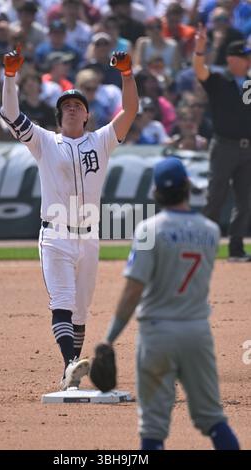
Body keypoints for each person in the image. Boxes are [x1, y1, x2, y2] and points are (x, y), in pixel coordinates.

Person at [0, 45, 138, 390]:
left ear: (87, 115)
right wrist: (10, 76)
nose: (72, 108)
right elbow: (9, 112)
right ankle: (70, 364)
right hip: (56, 235)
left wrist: (127, 74)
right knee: (61, 302)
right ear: (59, 116)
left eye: (78, 105)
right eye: (66, 106)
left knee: (80, 311)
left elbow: (132, 109)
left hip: (89, 237)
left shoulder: (102, 140)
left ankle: (70, 375)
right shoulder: (44, 141)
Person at [99, 157, 240, 450]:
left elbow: (132, 291)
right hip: (196, 332)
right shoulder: (211, 231)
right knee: (214, 419)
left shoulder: (150, 230)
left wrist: (110, 338)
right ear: (187, 187)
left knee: (153, 427)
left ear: (156, 194)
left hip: (157, 333)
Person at [193, 26, 251, 261]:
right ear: (231, 58)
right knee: (215, 196)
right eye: (244, 56)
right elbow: (199, 70)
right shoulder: (218, 79)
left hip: (248, 148)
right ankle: (203, 245)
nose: (248, 60)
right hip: (224, 146)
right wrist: (199, 49)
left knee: (245, 200)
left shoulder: (248, 83)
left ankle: (236, 249)